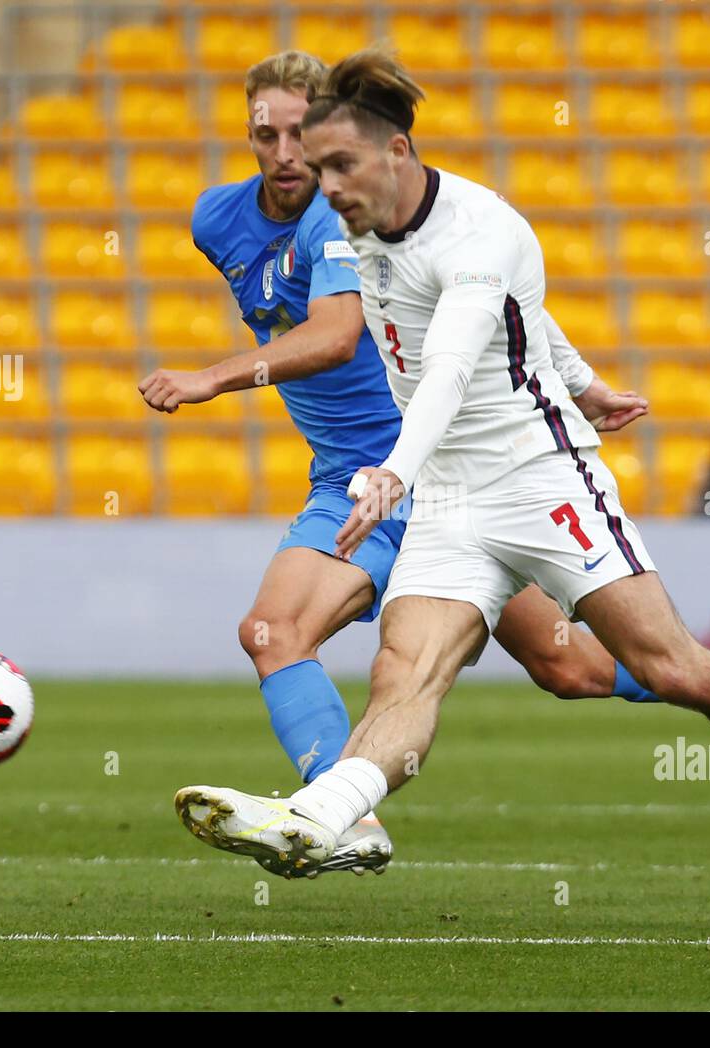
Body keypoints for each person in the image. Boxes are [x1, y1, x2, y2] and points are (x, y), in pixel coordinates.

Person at [173, 48, 710, 922]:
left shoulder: (478, 229)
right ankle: (320, 818)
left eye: (338, 164)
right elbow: (522, 317)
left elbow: (455, 365)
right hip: (450, 497)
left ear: (397, 151)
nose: (321, 183)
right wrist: (583, 376)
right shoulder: (344, 225)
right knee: (404, 674)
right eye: (311, 161)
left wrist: (394, 472)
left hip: (538, 477)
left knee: (671, 666)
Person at [138, 51, 661, 878]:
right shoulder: (218, 218)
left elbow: (342, 332)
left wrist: (213, 376)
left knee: (576, 667)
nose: (282, 155)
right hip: (344, 479)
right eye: (262, 135)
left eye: (298, 137)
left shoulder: (339, 223)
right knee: (272, 631)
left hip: (428, 472)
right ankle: (349, 820)